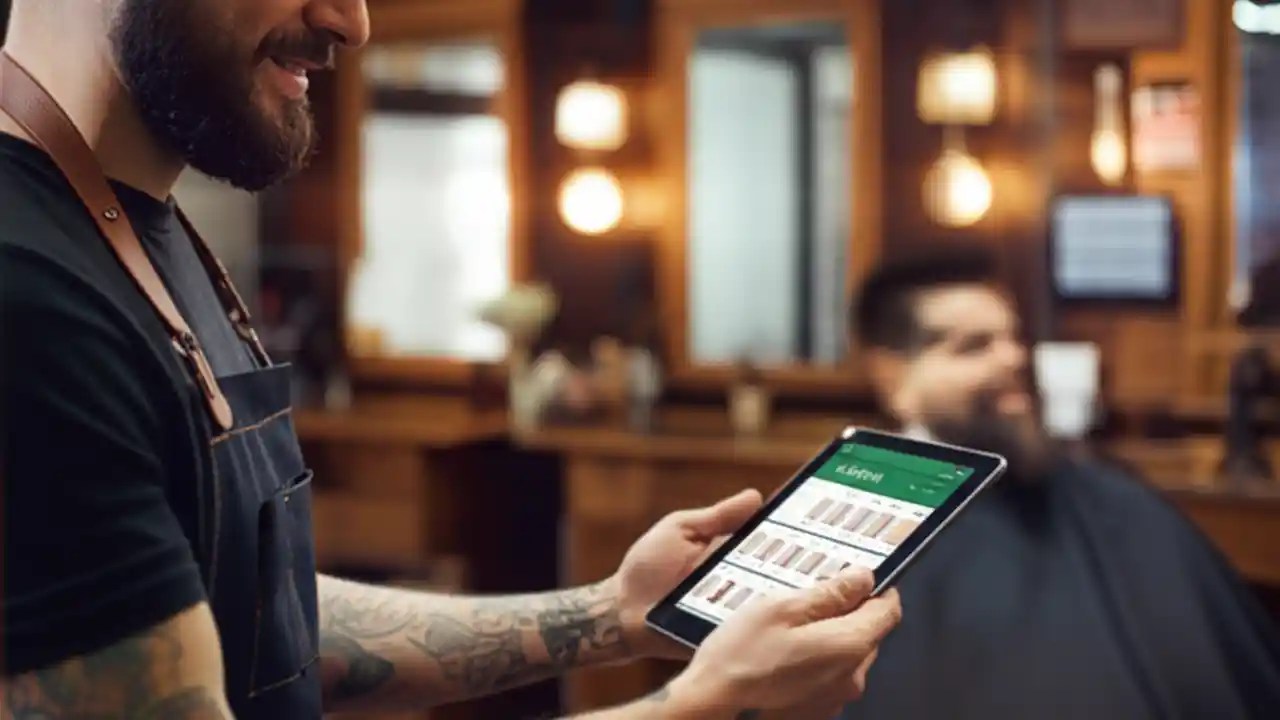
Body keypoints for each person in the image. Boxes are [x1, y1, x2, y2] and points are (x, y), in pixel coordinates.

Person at [0, 2, 902, 718]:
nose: (351, 20)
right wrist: (707, 705)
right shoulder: (27, 293)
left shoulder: (148, 235)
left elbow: (245, 611)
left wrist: (610, 617)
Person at [838, 252, 1280, 720]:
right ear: (892, 374)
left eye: (1015, 337)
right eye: (973, 346)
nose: (1014, 357)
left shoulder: (1106, 501)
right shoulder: (853, 522)